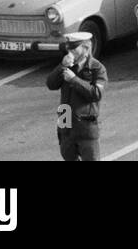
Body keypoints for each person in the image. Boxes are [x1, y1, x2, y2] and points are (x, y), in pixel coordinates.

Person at [46, 32, 107, 161]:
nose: (70, 52)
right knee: (67, 155)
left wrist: (74, 79)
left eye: (74, 48)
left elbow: (96, 94)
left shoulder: (97, 68)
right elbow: (51, 84)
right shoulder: (67, 65)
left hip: (85, 122)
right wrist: (61, 66)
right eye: (69, 49)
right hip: (64, 118)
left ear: (85, 48)